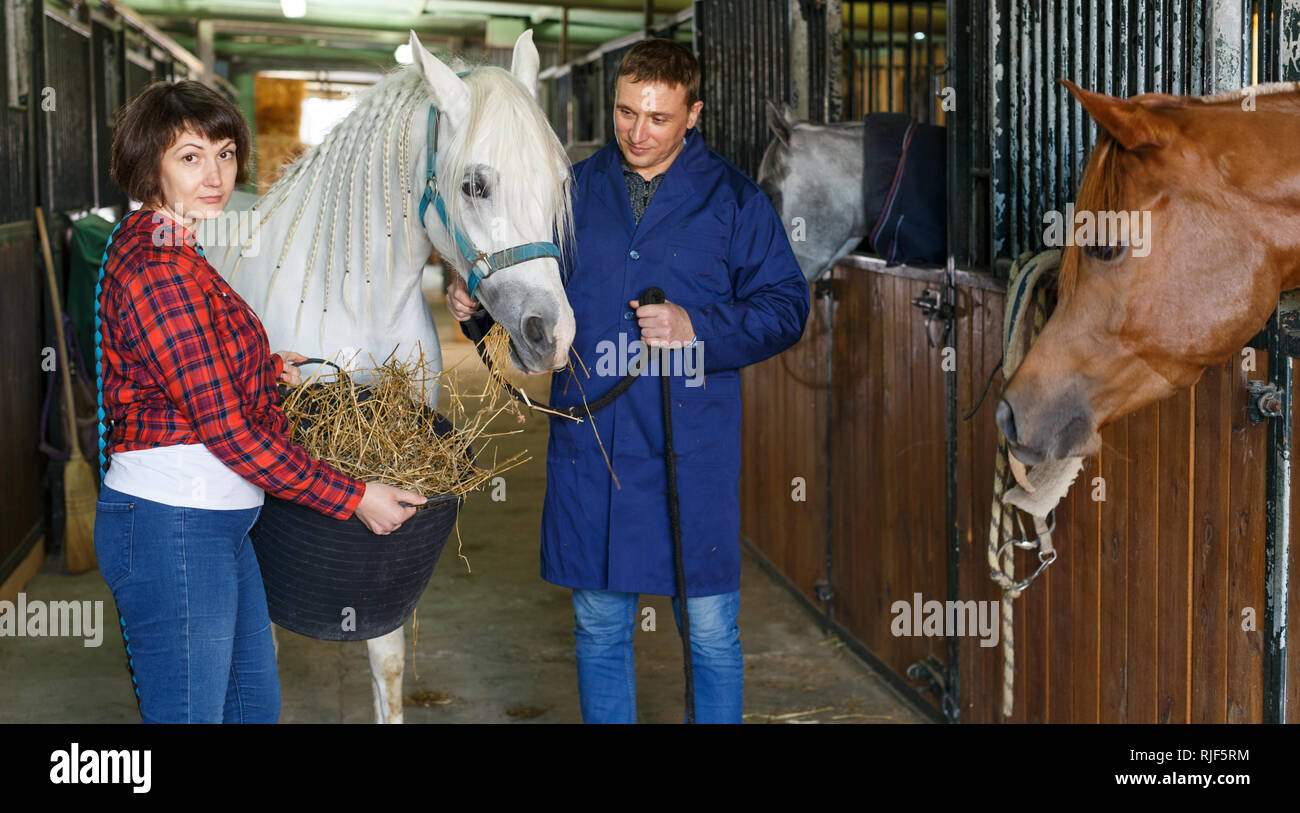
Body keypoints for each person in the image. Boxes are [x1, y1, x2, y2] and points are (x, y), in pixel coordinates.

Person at [447, 39, 809, 723]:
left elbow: (788, 308)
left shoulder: (734, 201)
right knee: (599, 626)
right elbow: (532, 297)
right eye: (625, 113)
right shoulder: (571, 190)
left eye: (659, 118)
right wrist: (477, 313)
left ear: (693, 113)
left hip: (689, 453)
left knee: (708, 631)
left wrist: (697, 326)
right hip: (597, 446)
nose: (637, 133)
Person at [94, 80, 426, 723]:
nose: (215, 174)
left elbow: (190, 369)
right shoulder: (159, 268)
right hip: (174, 524)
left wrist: (269, 371)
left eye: (224, 153)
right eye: (190, 157)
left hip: (218, 521)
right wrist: (355, 496)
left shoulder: (178, 246)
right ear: (148, 164)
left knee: (252, 707)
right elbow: (229, 432)